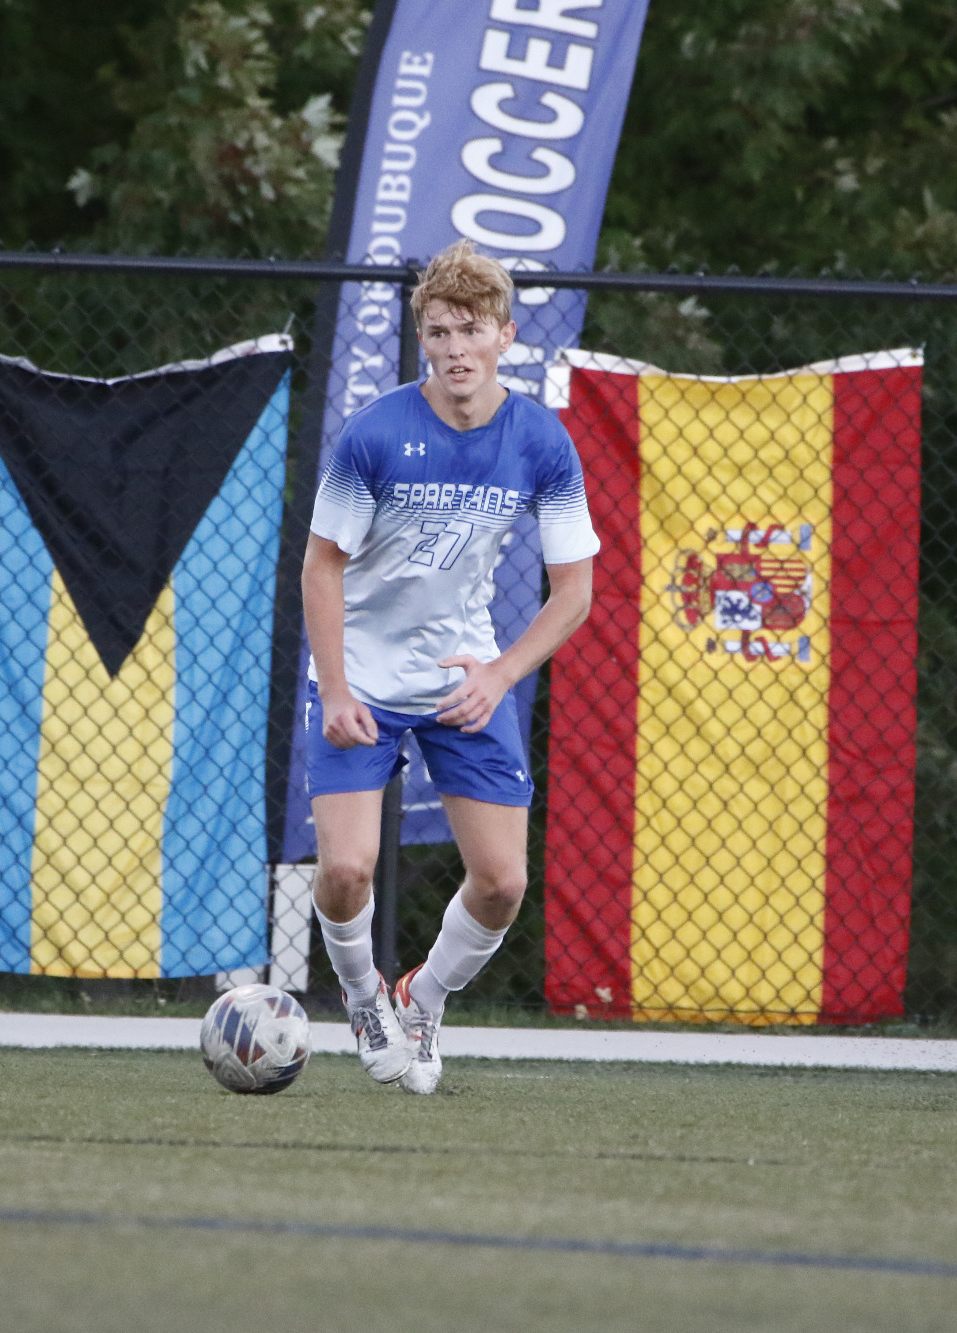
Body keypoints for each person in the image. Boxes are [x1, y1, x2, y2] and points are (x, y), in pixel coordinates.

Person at [302, 239, 597, 1094]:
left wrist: (501, 673)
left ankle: (422, 997)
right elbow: (321, 566)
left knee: (504, 881)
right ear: (421, 338)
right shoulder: (377, 432)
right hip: (361, 672)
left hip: (462, 678)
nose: (455, 348)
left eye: (471, 330)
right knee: (348, 867)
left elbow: (574, 590)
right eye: (438, 332)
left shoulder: (540, 439)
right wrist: (339, 687)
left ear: (506, 335)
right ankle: (362, 997)